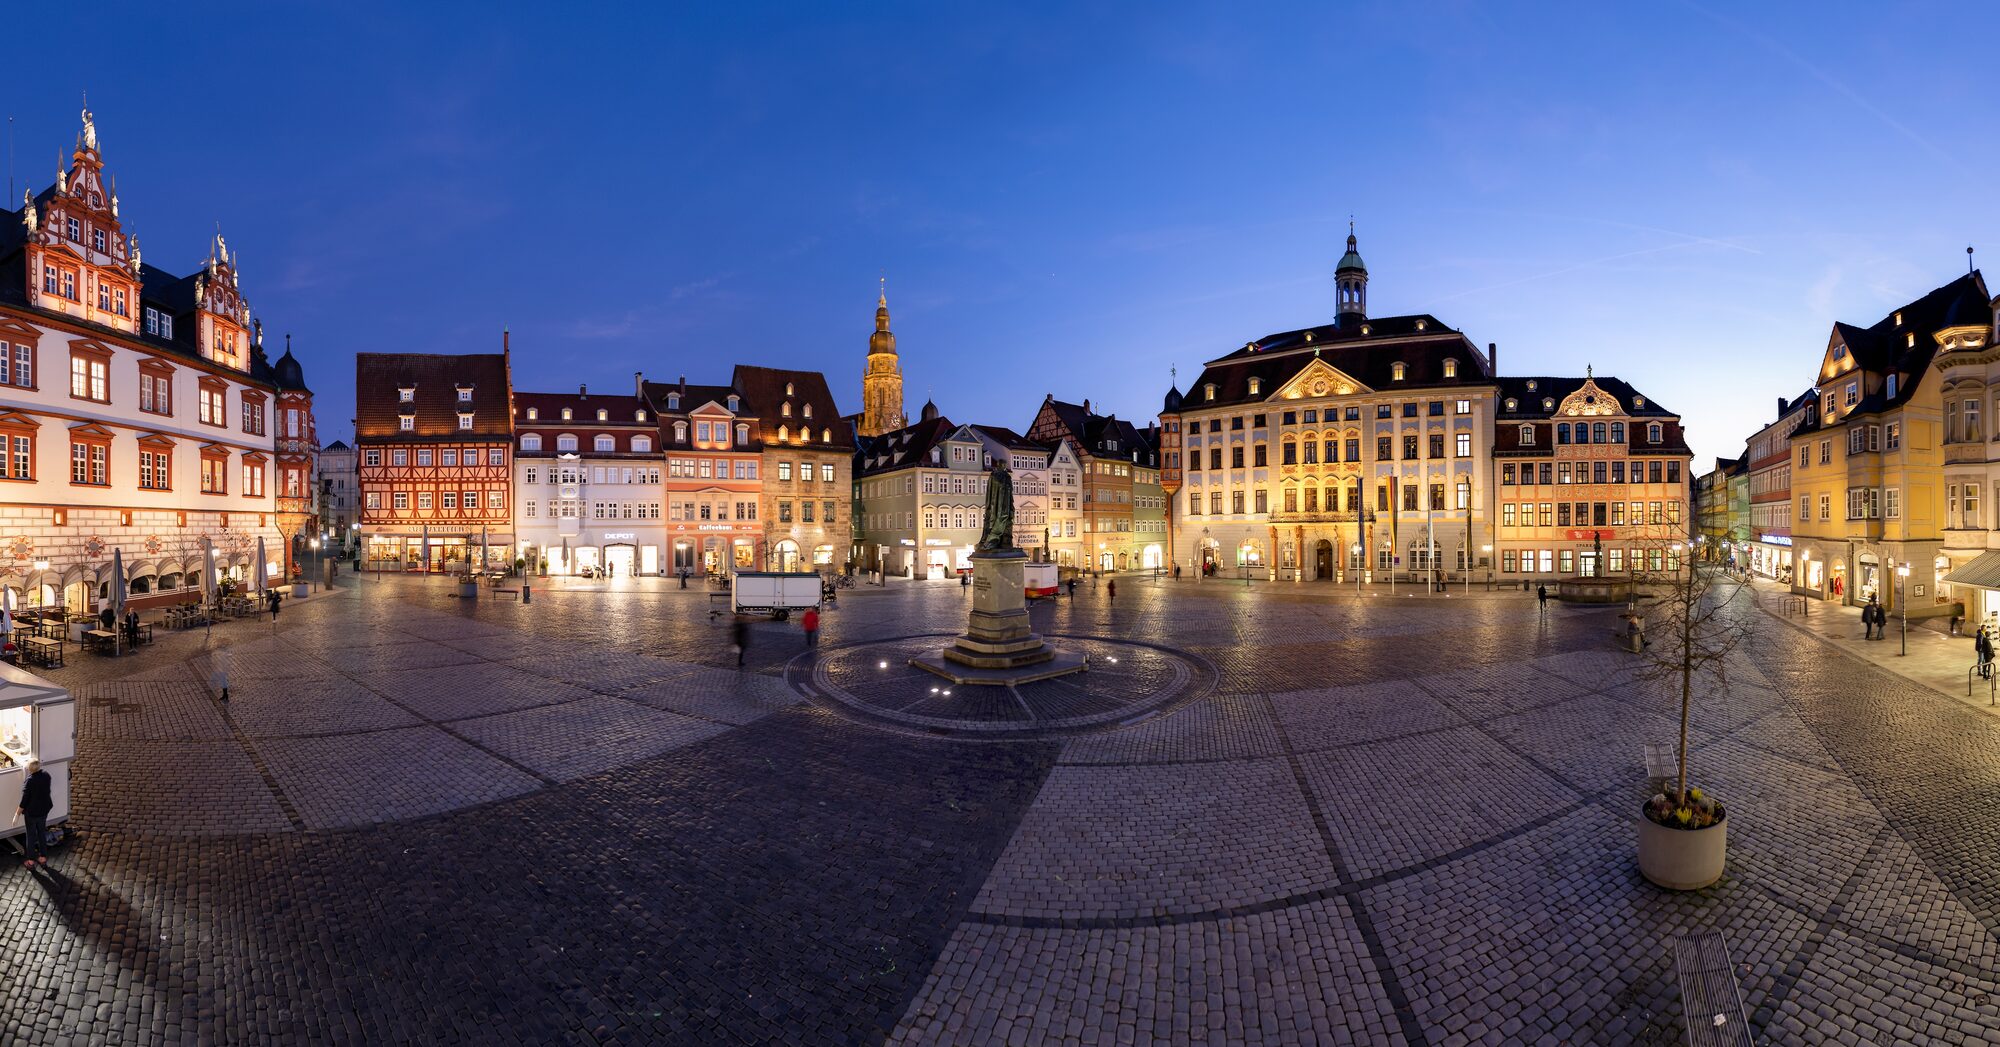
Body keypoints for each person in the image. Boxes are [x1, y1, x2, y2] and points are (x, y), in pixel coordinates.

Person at [17, 758, 51, 867]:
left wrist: (17, 814)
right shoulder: (46, 775)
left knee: (31, 836)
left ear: (29, 769)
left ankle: (31, 861)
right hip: (44, 810)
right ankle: (43, 858)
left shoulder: (30, 781)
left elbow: (24, 801)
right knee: (41, 833)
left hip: (32, 813)